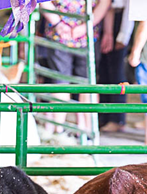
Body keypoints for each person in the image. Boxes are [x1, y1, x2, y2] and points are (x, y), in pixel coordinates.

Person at [40, 0, 111, 137]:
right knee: (63, 83)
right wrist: (60, 24)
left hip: (80, 34)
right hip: (65, 33)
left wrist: (81, 27)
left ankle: (83, 131)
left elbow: (105, 2)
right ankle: (61, 130)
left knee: (82, 84)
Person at [97, 0, 129, 133]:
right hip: (106, 17)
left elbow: (130, 7)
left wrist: (123, 35)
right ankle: (103, 116)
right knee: (104, 71)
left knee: (117, 73)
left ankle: (117, 119)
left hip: (121, 21)